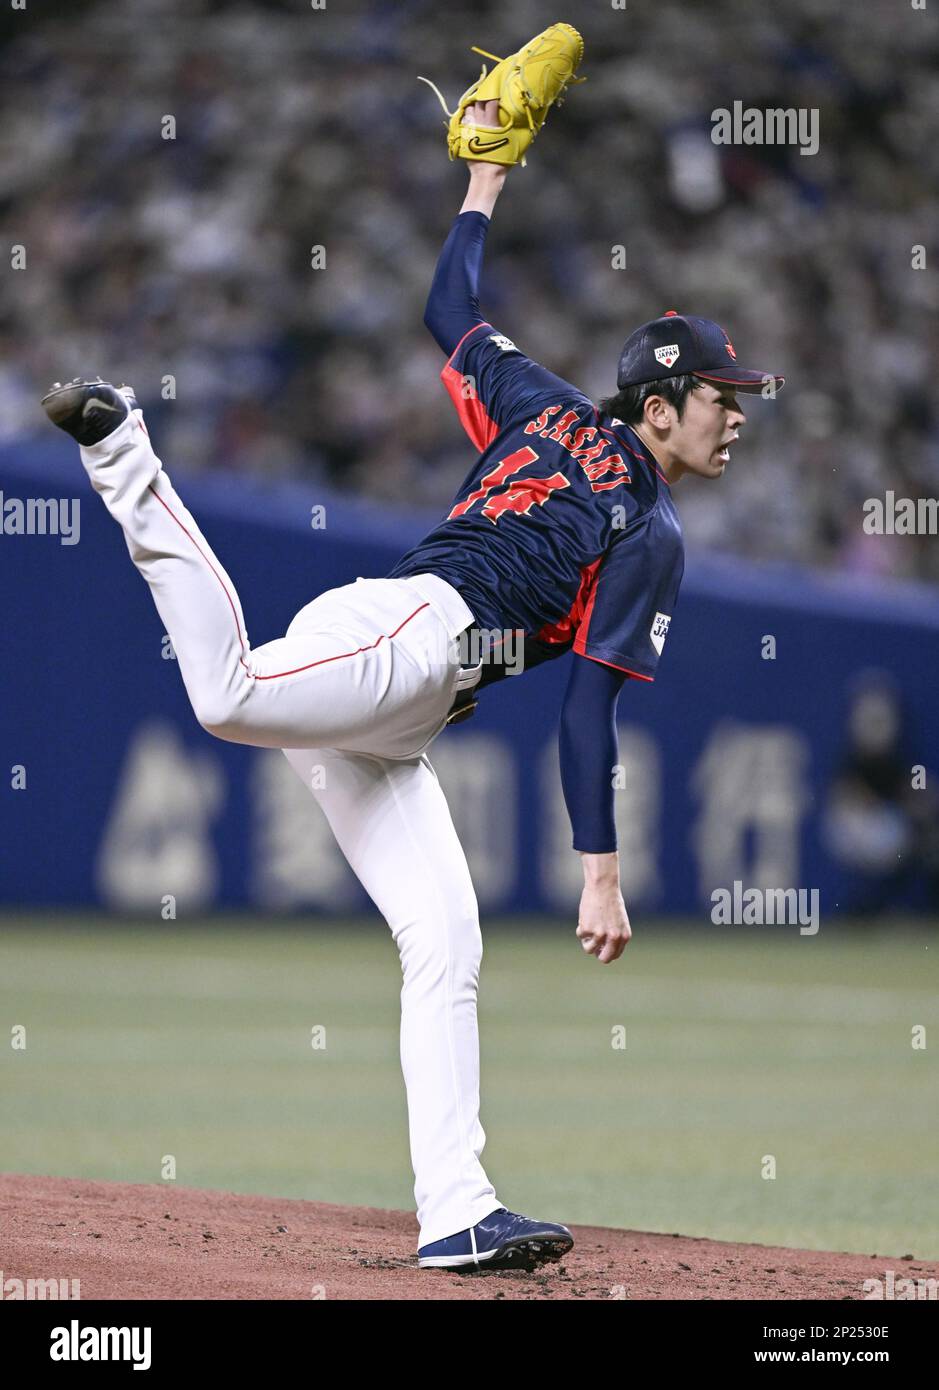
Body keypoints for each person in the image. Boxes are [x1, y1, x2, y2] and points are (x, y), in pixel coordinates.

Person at [41, 98, 783, 1272]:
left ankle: (456, 1211)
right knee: (225, 697)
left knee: (444, 938)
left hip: (408, 707)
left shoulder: (541, 405)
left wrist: (484, 183)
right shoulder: (649, 527)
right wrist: (603, 873)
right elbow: (590, 704)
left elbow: (448, 312)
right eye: (720, 398)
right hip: (406, 637)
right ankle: (124, 451)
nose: (736, 415)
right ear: (657, 408)